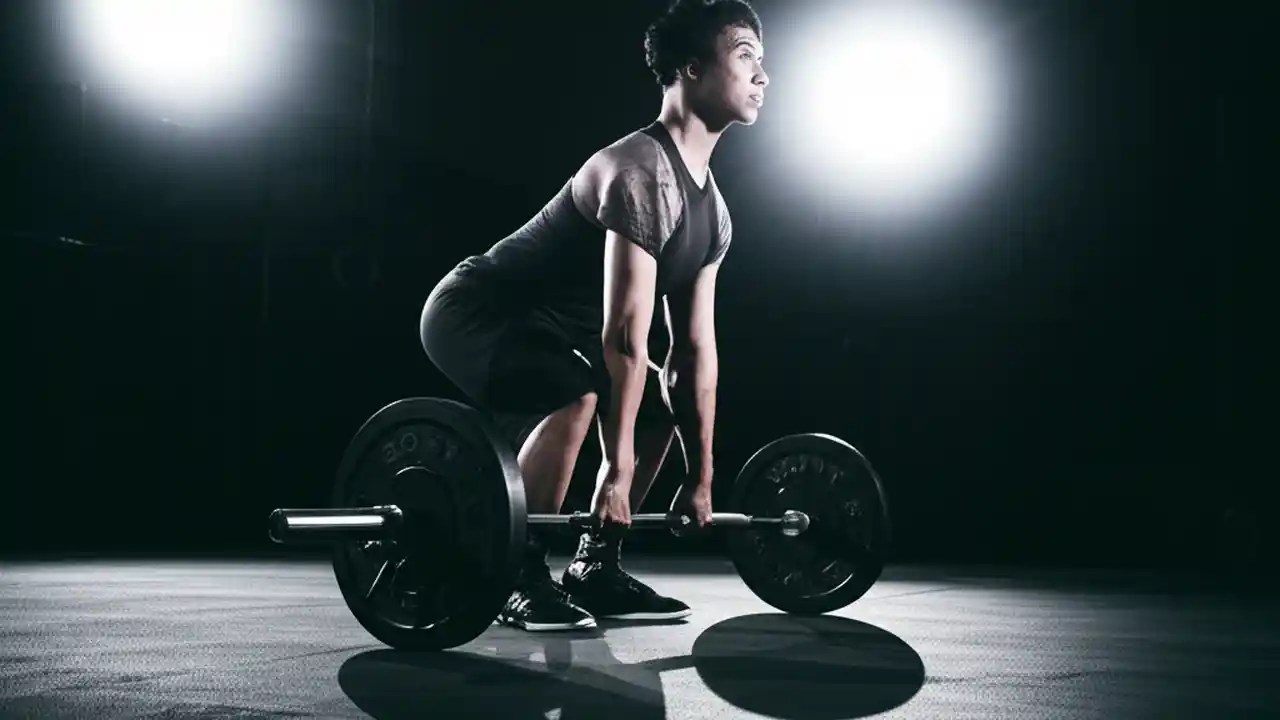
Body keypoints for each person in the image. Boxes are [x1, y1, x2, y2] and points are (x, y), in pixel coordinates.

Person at [419, 0, 768, 632]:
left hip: (561, 334)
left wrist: (702, 478)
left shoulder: (713, 214)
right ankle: (513, 574)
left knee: (657, 409)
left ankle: (595, 568)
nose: (762, 77)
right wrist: (616, 470)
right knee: (575, 394)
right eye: (746, 57)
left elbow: (693, 357)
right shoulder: (637, 172)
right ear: (691, 67)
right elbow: (626, 341)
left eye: (761, 63)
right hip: (477, 310)